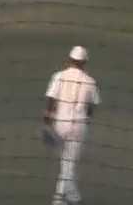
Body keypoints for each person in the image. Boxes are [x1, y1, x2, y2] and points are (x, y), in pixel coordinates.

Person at [44, 45, 101, 205]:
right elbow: (92, 105)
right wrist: (87, 120)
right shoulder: (90, 81)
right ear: (84, 62)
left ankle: (67, 196)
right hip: (78, 126)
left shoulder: (59, 76)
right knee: (69, 162)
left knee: (65, 161)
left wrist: (47, 121)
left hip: (59, 123)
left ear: (70, 59)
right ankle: (64, 197)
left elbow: (51, 100)